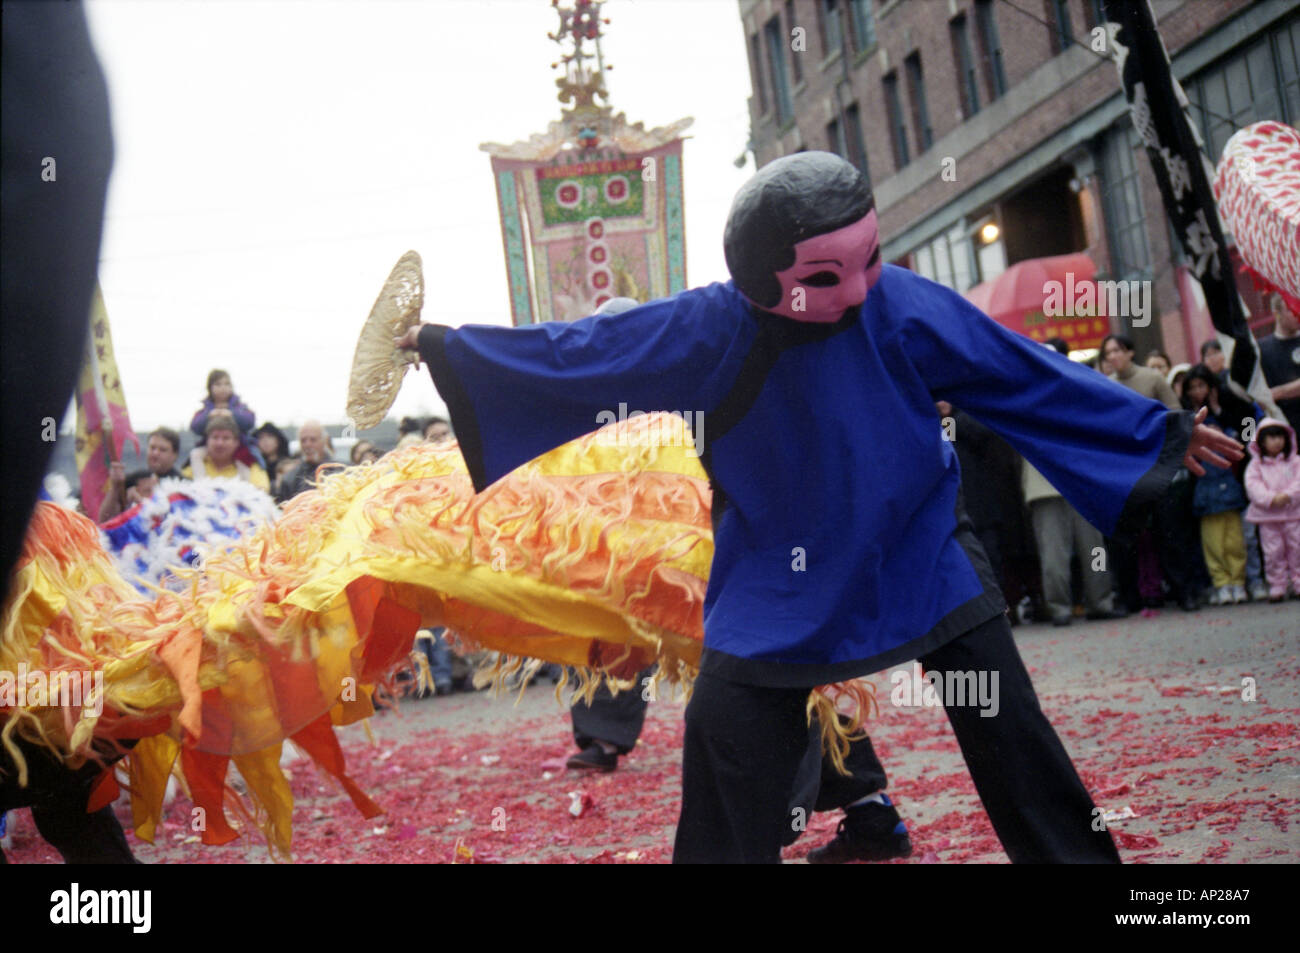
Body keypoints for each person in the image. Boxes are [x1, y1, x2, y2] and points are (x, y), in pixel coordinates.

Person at [397, 151, 1240, 863]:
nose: (864, 290)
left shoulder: (903, 303)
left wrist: (1155, 433)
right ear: (761, 280)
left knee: (1010, 728)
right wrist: (446, 348)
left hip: (921, 551)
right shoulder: (704, 329)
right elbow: (584, 353)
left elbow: (1017, 372)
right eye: (829, 276)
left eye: (872, 258)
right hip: (778, 576)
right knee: (727, 738)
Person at [1101, 335, 1200, 612]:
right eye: (1108, 353)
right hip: (1124, 473)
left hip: (1157, 465)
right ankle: (1132, 597)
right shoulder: (1106, 387)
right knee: (1126, 537)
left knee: (1170, 532)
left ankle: (1185, 592)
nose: (1113, 357)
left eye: (1117, 350)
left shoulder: (1152, 379)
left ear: (1130, 351)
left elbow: (1176, 413)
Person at [1192, 420, 1250, 605]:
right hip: (1208, 506)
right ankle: (1221, 583)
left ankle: (1237, 582)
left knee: (1235, 544)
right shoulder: (1197, 454)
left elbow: (1241, 452)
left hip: (1230, 503)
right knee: (1214, 547)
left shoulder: (1230, 453)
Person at [1243, 418, 1300, 601]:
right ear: (1261, 442)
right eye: (1271, 437)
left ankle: (1298, 582)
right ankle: (1277, 585)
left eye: (1280, 437)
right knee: (1273, 552)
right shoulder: (1256, 465)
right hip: (1268, 517)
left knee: (1296, 548)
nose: (1277, 441)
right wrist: (1270, 499)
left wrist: (1288, 495)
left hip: (1293, 514)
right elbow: (1252, 486)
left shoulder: (1295, 461)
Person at [97, 427, 184, 521]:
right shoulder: (134, 478)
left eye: (162, 450)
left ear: (175, 454)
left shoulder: (183, 486)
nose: (155, 453)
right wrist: (115, 486)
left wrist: (141, 502)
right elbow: (104, 519)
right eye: (152, 448)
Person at [182, 416, 270, 491]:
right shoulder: (193, 467)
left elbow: (261, 494)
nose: (219, 443)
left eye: (226, 438)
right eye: (215, 437)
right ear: (207, 441)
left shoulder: (252, 467)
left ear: (237, 442)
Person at [1257, 294, 1300, 429]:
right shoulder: (1261, 349)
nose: (1297, 312)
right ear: (1276, 314)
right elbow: (1257, 398)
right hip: (1283, 430)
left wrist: (1277, 393)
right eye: (1290, 309)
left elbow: (1269, 395)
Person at [276, 420, 336, 503]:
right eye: (303, 440)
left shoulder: (342, 472)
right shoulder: (290, 479)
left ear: (324, 441)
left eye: (313, 440)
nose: (307, 445)